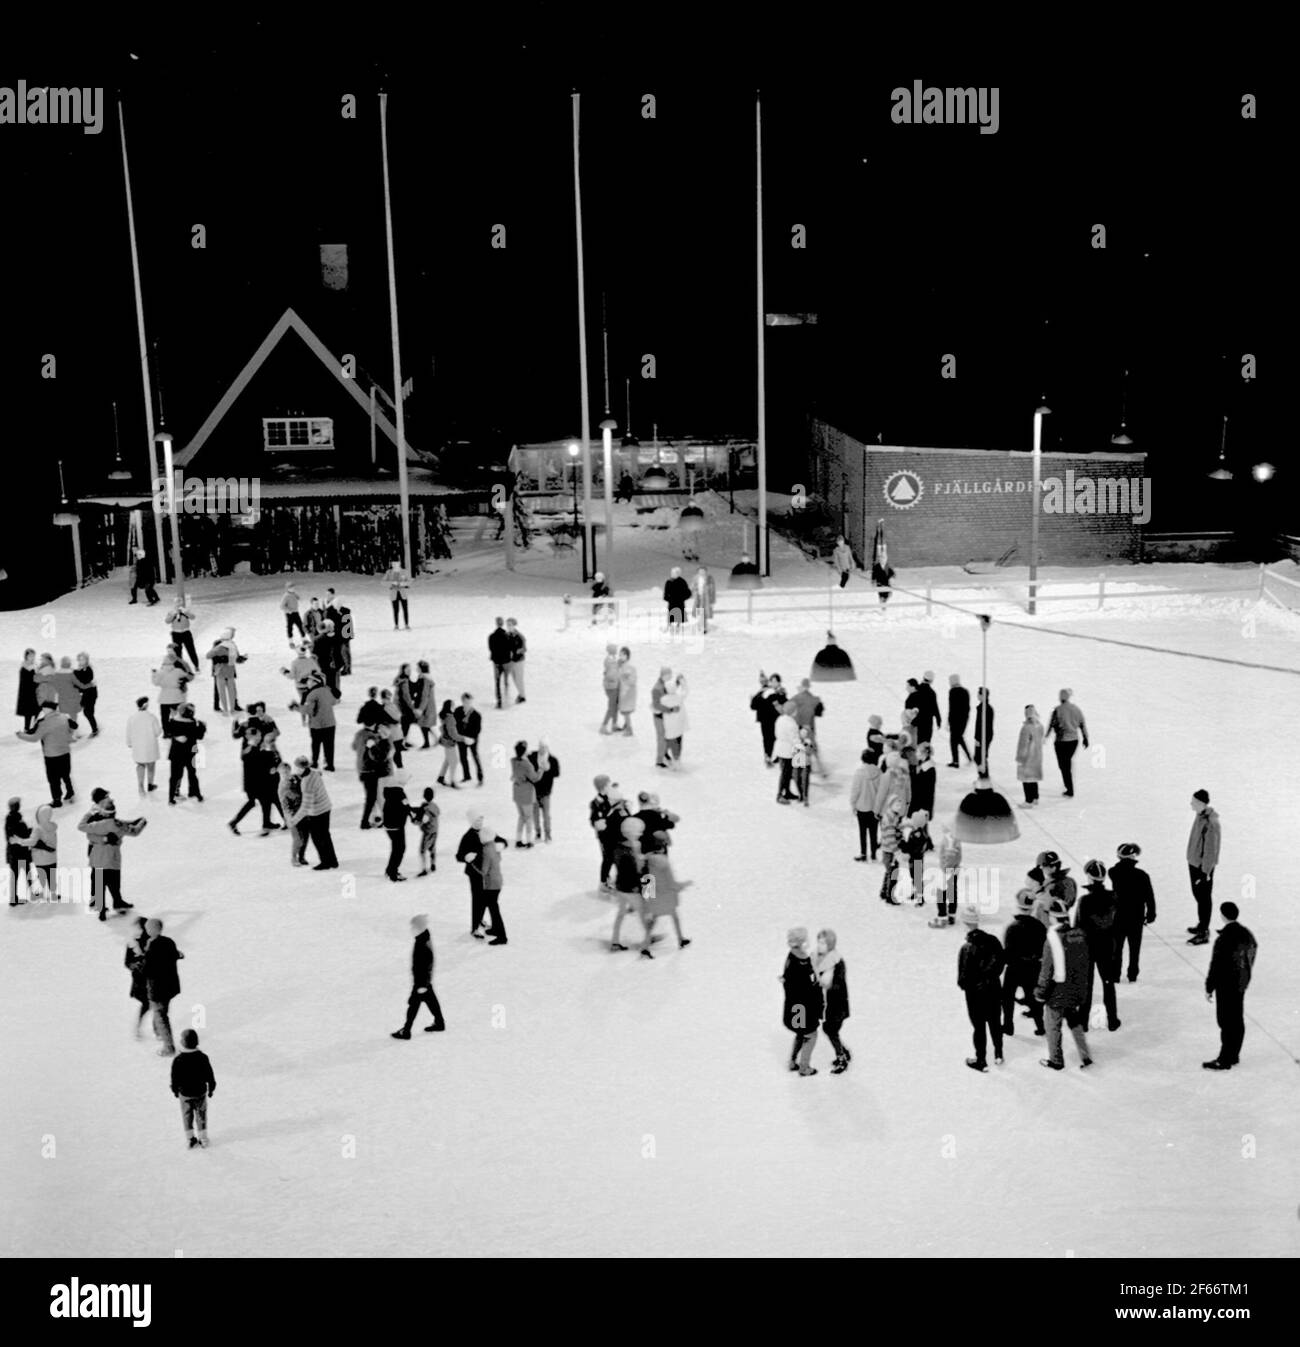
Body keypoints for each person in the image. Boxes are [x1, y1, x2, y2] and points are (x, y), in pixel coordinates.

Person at [1035, 901, 1093, 1071]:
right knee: (1074, 1022)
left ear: (1053, 917)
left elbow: (1047, 971)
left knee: (1052, 1026)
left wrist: (1040, 992)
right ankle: (1085, 1055)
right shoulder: (1080, 935)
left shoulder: (1051, 940)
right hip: (1074, 989)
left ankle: (1056, 1060)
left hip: (1056, 992)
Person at [1203, 902, 1257, 1070]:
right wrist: (1246, 973)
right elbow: (1252, 951)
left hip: (1225, 984)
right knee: (1236, 1019)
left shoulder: (1224, 939)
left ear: (1223, 916)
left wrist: (1209, 986)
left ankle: (1225, 1058)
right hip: (1240, 983)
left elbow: (1216, 964)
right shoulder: (1246, 934)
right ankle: (1233, 1054)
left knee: (1225, 1021)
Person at [957, 905, 1005, 1071]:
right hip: (993, 988)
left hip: (975, 993)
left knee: (979, 1027)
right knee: (995, 1022)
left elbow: (962, 978)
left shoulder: (966, 948)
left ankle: (981, 1060)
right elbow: (1000, 962)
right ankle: (999, 1053)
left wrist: (969, 985)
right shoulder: (993, 941)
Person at [1076, 859, 1121, 1032]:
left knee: (1087, 985)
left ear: (1089, 877)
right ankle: (1112, 1020)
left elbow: (1078, 926)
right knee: (1108, 985)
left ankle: (1083, 1021)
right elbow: (1117, 925)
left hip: (1088, 947)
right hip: (1107, 946)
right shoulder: (1113, 897)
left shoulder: (1084, 901)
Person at [392, 914, 446, 1038]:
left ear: (419, 928)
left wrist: (422, 985)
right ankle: (439, 1022)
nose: (411, 929)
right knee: (430, 1000)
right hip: (424, 981)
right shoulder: (423, 939)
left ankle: (406, 1031)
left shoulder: (422, 945)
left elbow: (425, 966)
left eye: (413, 927)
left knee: (414, 1005)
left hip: (421, 981)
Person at [1111, 843, 1156, 982]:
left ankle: (1115, 974)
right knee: (1134, 948)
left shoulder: (1113, 872)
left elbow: (1115, 869)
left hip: (1119, 915)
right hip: (1136, 916)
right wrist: (1151, 914)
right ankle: (1132, 973)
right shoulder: (1142, 875)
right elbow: (1149, 896)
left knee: (1117, 948)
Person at [781, 929, 823, 1076]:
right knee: (811, 1035)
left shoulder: (791, 958)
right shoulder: (801, 962)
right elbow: (807, 987)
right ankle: (804, 1068)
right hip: (803, 1007)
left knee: (800, 1033)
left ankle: (792, 1061)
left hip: (794, 1006)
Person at [18, 702, 75, 808]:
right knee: (65, 774)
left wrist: (21, 735)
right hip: (65, 752)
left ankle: (57, 800)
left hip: (51, 755)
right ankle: (70, 792)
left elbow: (34, 738)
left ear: (47, 709)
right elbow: (73, 727)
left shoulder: (44, 723)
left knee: (53, 778)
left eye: (43, 709)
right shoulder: (64, 717)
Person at [640, 842, 692, 956]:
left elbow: (647, 888)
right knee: (674, 917)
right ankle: (680, 939)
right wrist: (683, 885)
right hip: (667, 897)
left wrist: (647, 903)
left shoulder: (646, 863)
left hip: (655, 900)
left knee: (652, 922)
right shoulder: (664, 863)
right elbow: (671, 883)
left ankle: (646, 946)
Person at [1185, 789, 1221, 946]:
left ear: (1201, 803)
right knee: (1198, 895)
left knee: (1204, 898)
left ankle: (1204, 932)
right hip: (1194, 863)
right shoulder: (1200, 816)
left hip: (1202, 867)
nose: (1191, 805)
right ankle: (1202, 924)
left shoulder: (1211, 823)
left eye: (1193, 802)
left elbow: (1211, 851)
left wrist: (1206, 872)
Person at [144, 917, 184, 1056]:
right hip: (170, 985)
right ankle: (158, 1033)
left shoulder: (151, 946)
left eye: (148, 927)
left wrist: (140, 961)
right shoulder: (169, 941)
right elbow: (177, 955)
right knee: (161, 1011)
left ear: (152, 930)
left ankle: (169, 1047)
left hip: (157, 988)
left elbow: (147, 968)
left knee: (161, 1015)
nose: (146, 929)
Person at [609, 817, 649, 953]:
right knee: (643, 913)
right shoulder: (631, 851)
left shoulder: (618, 847)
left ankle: (615, 941)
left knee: (620, 914)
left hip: (620, 887)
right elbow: (637, 872)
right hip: (631, 889)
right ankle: (648, 940)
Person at [171, 1028, 216, 1148]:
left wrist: (175, 1090)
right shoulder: (202, 1057)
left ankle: (190, 1138)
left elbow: (175, 1078)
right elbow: (209, 1075)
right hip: (200, 1092)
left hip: (184, 1093)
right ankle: (203, 1138)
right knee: (201, 1114)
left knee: (187, 1115)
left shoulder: (178, 1060)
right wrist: (211, 1087)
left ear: (184, 1043)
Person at [292, 757, 338, 870]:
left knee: (317, 837)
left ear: (301, 768)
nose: (296, 769)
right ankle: (333, 860)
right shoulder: (314, 773)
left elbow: (306, 806)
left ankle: (325, 862)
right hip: (326, 807)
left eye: (297, 767)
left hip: (317, 812)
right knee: (326, 835)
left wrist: (294, 820)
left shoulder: (306, 783)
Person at [815, 930, 851, 1072]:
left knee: (830, 1030)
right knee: (830, 1029)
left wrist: (824, 983)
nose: (820, 945)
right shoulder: (826, 959)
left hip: (838, 1005)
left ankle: (842, 1057)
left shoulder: (836, 962)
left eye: (823, 942)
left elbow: (837, 984)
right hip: (832, 1004)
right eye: (819, 941)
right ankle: (843, 1052)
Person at [1045, 688, 1089, 798]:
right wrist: (1085, 738)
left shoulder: (1057, 710)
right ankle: (1069, 787)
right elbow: (1082, 724)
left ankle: (1069, 789)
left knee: (1063, 765)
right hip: (1073, 741)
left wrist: (1046, 736)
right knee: (1066, 764)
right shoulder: (1076, 709)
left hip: (1061, 742)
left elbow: (1052, 724)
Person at [470, 826, 508, 945]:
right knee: (491, 906)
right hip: (498, 881)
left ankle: (502, 936)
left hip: (491, 884)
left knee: (494, 909)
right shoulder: (494, 846)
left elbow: (483, 871)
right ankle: (496, 929)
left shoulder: (486, 850)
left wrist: (472, 862)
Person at [455, 809, 490, 936]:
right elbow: (458, 855)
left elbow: (498, 840)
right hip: (474, 873)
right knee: (477, 899)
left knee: (484, 898)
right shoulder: (468, 836)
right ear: (471, 821)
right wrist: (466, 857)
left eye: (481, 819)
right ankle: (475, 927)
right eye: (477, 820)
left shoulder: (485, 832)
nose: (480, 822)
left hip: (485, 872)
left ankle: (480, 920)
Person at [166, 704, 206, 805]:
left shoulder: (173, 722)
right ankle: (196, 794)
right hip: (190, 753)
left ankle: (171, 798)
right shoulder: (193, 724)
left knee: (174, 776)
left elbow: (169, 731)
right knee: (192, 774)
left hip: (176, 753)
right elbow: (200, 736)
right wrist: (203, 726)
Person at [300, 674, 340, 772]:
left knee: (315, 744)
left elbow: (309, 710)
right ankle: (330, 765)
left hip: (317, 724)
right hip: (330, 723)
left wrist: (297, 708)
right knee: (329, 745)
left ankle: (314, 762)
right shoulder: (327, 690)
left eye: (309, 680)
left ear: (315, 682)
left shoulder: (312, 694)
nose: (307, 682)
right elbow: (334, 701)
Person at [355, 726, 390, 829]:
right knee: (374, 798)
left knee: (373, 798)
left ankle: (371, 819)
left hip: (369, 773)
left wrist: (372, 747)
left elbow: (378, 757)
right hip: (372, 774)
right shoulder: (381, 742)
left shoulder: (382, 743)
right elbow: (378, 758)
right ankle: (370, 820)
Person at [849, 749, 880, 861]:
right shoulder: (879, 772)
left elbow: (855, 790)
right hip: (874, 807)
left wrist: (853, 803)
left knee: (862, 831)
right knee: (874, 831)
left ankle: (863, 854)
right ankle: (873, 853)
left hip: (861, 806)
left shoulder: (859, 772)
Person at [206, 628, 244, 715]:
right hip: (227, 670)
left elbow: (209, 655)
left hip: (222, 671)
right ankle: (230, 708)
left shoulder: (222, 646)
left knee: (223, 691)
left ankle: (227, 709)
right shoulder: (231, 645)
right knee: (229, 690)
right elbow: (235, 658)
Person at [380, 777, 411, 881]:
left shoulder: (388, 792)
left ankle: (390, 870)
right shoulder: (400, 793)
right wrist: (414, 816)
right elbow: (406, 808)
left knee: (396, 849)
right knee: (400, 849)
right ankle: (393, 872)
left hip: (389, 826)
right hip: (397, 826)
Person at [125, 915, 151, 1034]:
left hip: (148, 978)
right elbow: (127, 962)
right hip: (141, 980)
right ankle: (142, 1027)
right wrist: (135, 965)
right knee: (149, 1004)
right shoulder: (133, 943)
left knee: (150, 1004)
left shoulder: (152, 942)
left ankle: (140, 1027)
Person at [529, 740, 560, 843]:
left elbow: (557, 773)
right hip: (534, 791)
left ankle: (548, 835)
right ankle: (538, 833)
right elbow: (527, 771)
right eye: (541, 746)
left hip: (546, 792)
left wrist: (549, 769)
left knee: (546, 815)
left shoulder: (552, 760)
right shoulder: (532, 757)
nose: (542, 749)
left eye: (545, 747)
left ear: (547, 748)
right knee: (535, 815)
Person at [900, 809, 933, 907]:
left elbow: (913, 847)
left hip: (916, 859)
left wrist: (904, 845)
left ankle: (920, 898)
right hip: (916, 858)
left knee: (917, 878)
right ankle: (916, 892)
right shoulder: (918, 832)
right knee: (914, 877)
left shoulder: (918, 835)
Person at [750, 672, 783, 766]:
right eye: (761, 679)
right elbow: (753, 706)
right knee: (769, 738)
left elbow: (779, 702)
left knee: (773, 738)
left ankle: (772, 756)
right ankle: (769, 756)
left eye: (764, 679)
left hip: (772, 718)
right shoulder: (760, 693)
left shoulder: (773, 691)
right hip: (767, 719)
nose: (762, 681)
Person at [1015, 704, 1044, 806]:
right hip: (1037, 756)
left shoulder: (1026, 728)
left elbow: (1023, 744)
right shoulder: (1040, 726)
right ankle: (1035, 798)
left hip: (1027, 757)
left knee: (1026, 779)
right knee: (1034, 778)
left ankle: (1028, 800)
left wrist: (1020, 757)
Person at [278, 762, 307, 866]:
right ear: (279, 773)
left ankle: (300, 857)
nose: (285, 774)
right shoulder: (283, 787)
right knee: (297, 838)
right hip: (291, 815)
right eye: (283, 773)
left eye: (287, 772)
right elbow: (296, 797)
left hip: (299, 812)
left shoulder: (294, 778)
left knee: (303, 837)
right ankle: (294, 858)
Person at [5, 798, 32, 904]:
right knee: (26, 873)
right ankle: (32, 893)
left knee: (16, 875)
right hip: (20, 852)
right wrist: (30, 831)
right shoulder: (15, 819)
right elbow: (21, 835)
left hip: (13, 853)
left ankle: (13, 898)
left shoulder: (10, 819)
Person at [877, 800, 905, 905]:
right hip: (890, 851)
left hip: (889, 850)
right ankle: (890, 896)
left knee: (889, 872)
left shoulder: (893, 816)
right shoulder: (889, 819)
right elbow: (890, 838)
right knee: (893, 873)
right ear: (891, 805)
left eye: (900, 805)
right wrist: (897, 852)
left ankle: (884, 892)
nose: (899, 807)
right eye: (897, 805)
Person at [589, 776, 615, 889]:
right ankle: (603, 881)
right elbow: (593, 820)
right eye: (609, 784)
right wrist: (598, 824)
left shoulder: (610, 797)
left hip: (612, 833)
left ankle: (607, 878)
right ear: (603, 787)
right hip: (604, 836)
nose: (610, 785)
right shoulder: (597, 803)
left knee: (612, 857)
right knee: (608, 858)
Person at [454, 693, 484, 785]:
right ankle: (466, 776)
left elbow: (477, 729)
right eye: (466, 702)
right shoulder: (458, 711)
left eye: (470, 702)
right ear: (462, 701)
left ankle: (480, 776)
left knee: (475, 756)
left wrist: (470, 738)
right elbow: (455, 724)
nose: (468, 704)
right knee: (463, 757)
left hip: (472, 739)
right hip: (462, 739)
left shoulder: (476, 715)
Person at [773, 706, 800, 804]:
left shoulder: (780, 719)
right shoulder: (791, 724)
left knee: (787, 773)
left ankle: (787, 792)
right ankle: (779, 795)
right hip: (787, 750)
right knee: (785, 774)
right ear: (792, 711)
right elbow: (794, 738)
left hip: (780, 748)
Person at [30, 803, 57, 899]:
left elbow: (32, 842)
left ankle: (38, 892)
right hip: (52, 857)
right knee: (51, 877)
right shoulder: (53, 827)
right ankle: (53, 894)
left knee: (41, 876)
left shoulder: (37, 829)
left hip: (40, 859)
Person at [165, 595, 200, 669]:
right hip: (176, 633)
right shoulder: (171, 612)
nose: (178, 604)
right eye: (176, 603)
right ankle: (180, 667)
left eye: (179, 602)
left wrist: (186, 612)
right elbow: (167, 621)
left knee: (191, 650)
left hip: (186, 632)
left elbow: (193, 617)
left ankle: (196, 666)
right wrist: (173, 614)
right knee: (177, 651)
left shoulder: (186, 610)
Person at [436, 700, 465, 789]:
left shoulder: (444, 716)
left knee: (448, 759)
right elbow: (452, 733)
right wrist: (463, 739)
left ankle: (441, 777)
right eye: (453, 705)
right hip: (450, 742)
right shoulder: (450, 718)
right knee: (454, 761)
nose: (454, 707)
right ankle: (452, 781)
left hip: (445, 740)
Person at [661, 674, 688, 764]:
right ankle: (677, 759)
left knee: (669, 742)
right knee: (678, 743)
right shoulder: (679, 697)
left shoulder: (663, 700)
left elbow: (653, 707)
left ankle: (664, 755)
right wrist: (681, 680)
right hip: (679, 727)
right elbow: (686, 690)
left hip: (668, 727)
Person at [71, 652, 99, 737]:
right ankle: (76, 732)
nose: (80, 661)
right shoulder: (79, 670)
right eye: (79, 659)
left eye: (82, 659)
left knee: (88, 713)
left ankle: (95, 730)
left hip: (91, 694)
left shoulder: (88, 669)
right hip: (85, 693)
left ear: (86, 660)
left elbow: (85, 681)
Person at [946, 674, 972, 767]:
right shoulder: (965, 691)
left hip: (954, 720)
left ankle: (955, 761)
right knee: (959, 738)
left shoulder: (952, 691)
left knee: (953, 741)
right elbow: (968, 707)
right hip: (963, 720)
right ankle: (969, 756)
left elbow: (951, 708)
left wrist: (949, 721)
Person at [412, 788, 440, 875]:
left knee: (422, 850)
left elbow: (424, 820)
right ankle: (433, 864)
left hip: (428, 832)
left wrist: (415, 821)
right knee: (432, 848)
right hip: (435, 830)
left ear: (424, 796)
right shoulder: (434, 806)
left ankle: (424, 869)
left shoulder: (426, 809)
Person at [650, 666, 673, 767]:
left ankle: (665, 752)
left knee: (668, 736)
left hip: (665, 716)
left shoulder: (666, 685)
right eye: (669, 675)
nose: (670, 676)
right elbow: (656, 705)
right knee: (661, 738)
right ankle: (659, 761)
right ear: (663, 675)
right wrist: (669, 709)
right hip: (659, 716)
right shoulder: (657, 688)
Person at [488, 617, 512, 709]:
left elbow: (491, 648)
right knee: (506, 681)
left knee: (497, 682)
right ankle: (506, 700)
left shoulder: (492, 636)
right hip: (506, 661)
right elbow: (511, 647)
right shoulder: (507, 635)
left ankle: (499, 701)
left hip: (497, 662)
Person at [413, 660, 437, 749]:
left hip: (425, 706)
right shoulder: (423, 678)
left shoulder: (425, 680)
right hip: (426, 705)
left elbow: (424, 695)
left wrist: (420, 709)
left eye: (417, 667)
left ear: (421, 668)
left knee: (424, 724)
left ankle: (427, 743)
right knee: (424, 725)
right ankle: (434, 739)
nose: (416, 669)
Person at [394, 664, 419, 745]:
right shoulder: (404, 681)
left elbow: (412, 686)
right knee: (406, 722)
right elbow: (406, 696)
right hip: (403, 705)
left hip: (401, 705)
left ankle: (402, 741)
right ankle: (400, 742)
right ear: (403, 670)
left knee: (406, 723)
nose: (409, 671)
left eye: (410, 669)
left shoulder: (404, 679)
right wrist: (411, 706)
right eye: (407, 669)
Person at [16, 649, 39, 733]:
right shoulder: (24, 667)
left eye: (33, 655)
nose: (32, 657)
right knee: (28, 712)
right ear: (26, 656)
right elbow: (26, 681)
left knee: (37, 710)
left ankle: (34, 727)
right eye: (30, 656)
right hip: (27, 693)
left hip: (34, 692)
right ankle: (27, 728)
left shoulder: (35, 666)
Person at [504, 618, 527, 703]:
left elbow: (524, 649)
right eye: (507, 625)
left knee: (519, 679)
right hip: (510, 661)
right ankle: (520, 694)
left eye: (510, 625)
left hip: (519, 661)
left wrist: (517, 653)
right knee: (514, 679)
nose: (508, 626)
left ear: (514, 625)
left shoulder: (519, 636)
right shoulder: (507, 635)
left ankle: (522, 696)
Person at [911, 742, 936, 817]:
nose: (916, 754)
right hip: (919, 805)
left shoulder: (929, 770)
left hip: (922, 806)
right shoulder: (921, 764)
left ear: (924, 753)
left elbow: (922, 789)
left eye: (918, 751)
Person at [600, 644, 621, 733]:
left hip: (615, 685)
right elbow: (611, 674)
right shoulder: (609, 660)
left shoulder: (614, 659)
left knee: (615, 706)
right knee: (612, 706)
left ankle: (614, 724)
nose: (617, 649)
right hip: (611, 686)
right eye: (615, 648)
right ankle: (603, 726)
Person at [616, 647, 637, 736]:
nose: (620, 657)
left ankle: (629, 729)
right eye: (619, 655)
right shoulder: (622, 665)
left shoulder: (630, 666)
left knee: (626, 711)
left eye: (622, 655)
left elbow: (632, 680)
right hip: (624, 690)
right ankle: (626, 725)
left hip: (628, 691)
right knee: (624, 709)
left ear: (626, 655)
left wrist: (625, 678)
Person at [385, 559, 411, 629]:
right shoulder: (389, 572)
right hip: (394, 593)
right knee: (395, 610)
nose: (394, 565)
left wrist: (403, 583)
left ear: (399, 563)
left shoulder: (404, 571)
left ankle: (406, 624)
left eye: (396, 563)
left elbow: (409, 581)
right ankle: (396, 625)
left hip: (403, 593)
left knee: (405, 609)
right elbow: (383, 582)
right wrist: (392, 583)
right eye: (393, 563)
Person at [972, 688, 994, 768]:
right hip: (985, 736)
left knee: (979, 757)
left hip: (983, 737)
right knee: (981, 757)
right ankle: (983, 775)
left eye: (979, 694)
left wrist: (978, 738)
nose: (977, 695)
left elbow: (981, 725)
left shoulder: (984, 709)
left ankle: (984, 776)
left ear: (982, 696)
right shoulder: (984, 707)